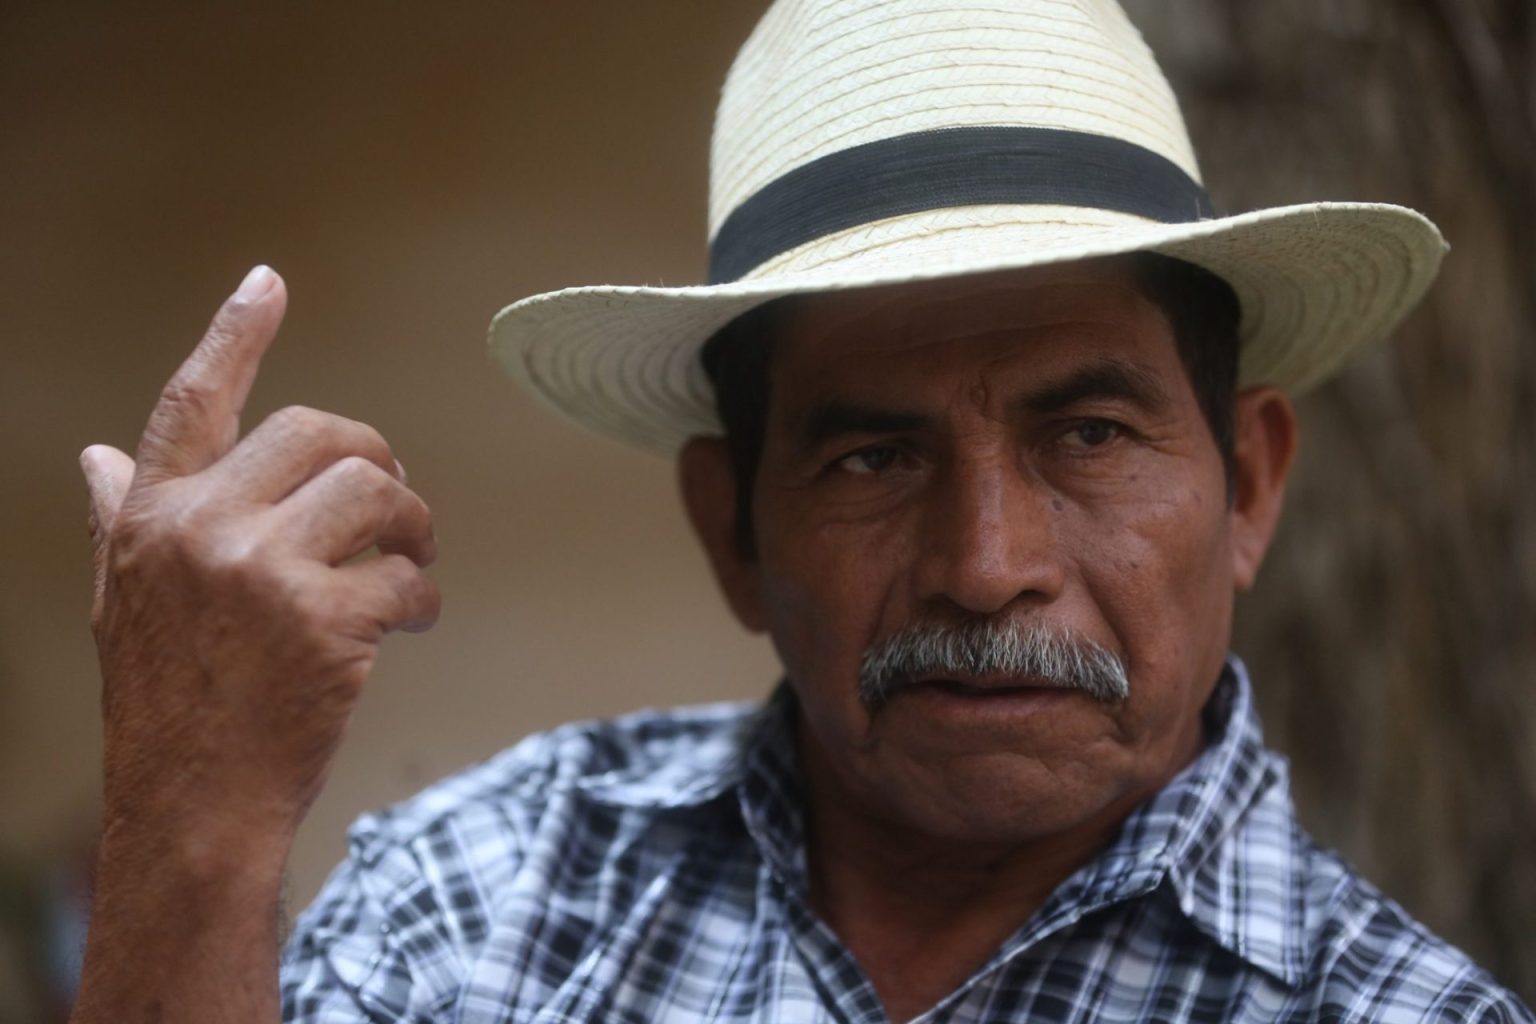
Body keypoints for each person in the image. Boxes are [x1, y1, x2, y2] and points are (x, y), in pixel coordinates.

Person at [68, 1, 1532, 1021]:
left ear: (1251, 487)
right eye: (872, 461)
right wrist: (195, 820)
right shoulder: (483, 899)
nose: (987, 566)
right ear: (733, 531)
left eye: (1087, 434)